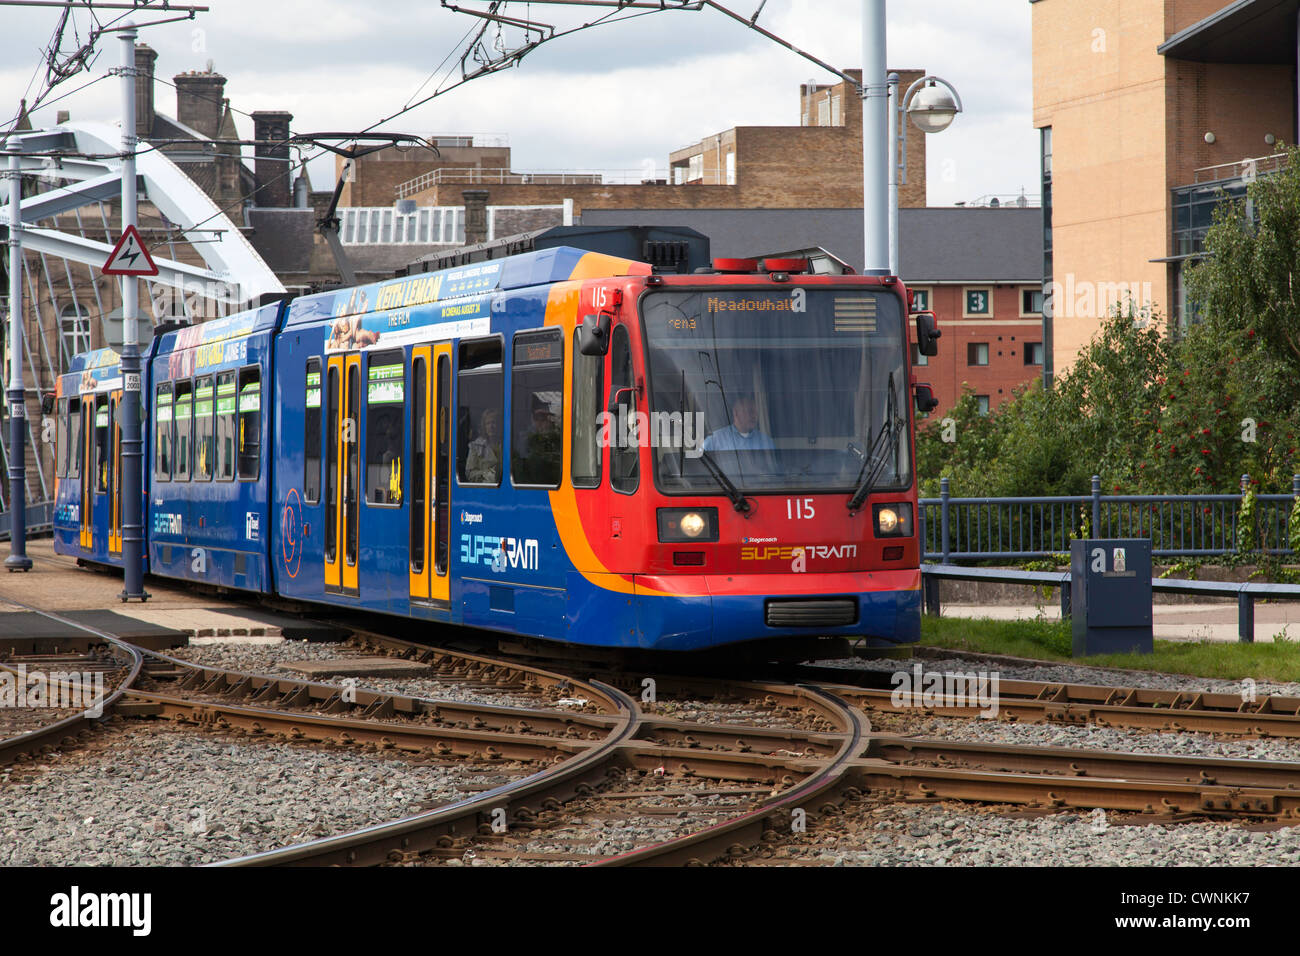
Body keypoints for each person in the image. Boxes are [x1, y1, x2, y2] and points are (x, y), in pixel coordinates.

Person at [701, 396, 774, 453]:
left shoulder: (766, 441)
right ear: (735, 413)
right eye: (750, 411)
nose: (755, 416)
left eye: (756, 412)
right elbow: (701, 461)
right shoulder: (714, 440)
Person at [465, 407, 503, 482]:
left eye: (494, 422)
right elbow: (469, 473)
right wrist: (488, 475)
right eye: (488, 423)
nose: (491, 426)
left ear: (499, 425)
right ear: (484, 427)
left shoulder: (506, 445)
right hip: (484, 487)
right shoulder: (476, 446)